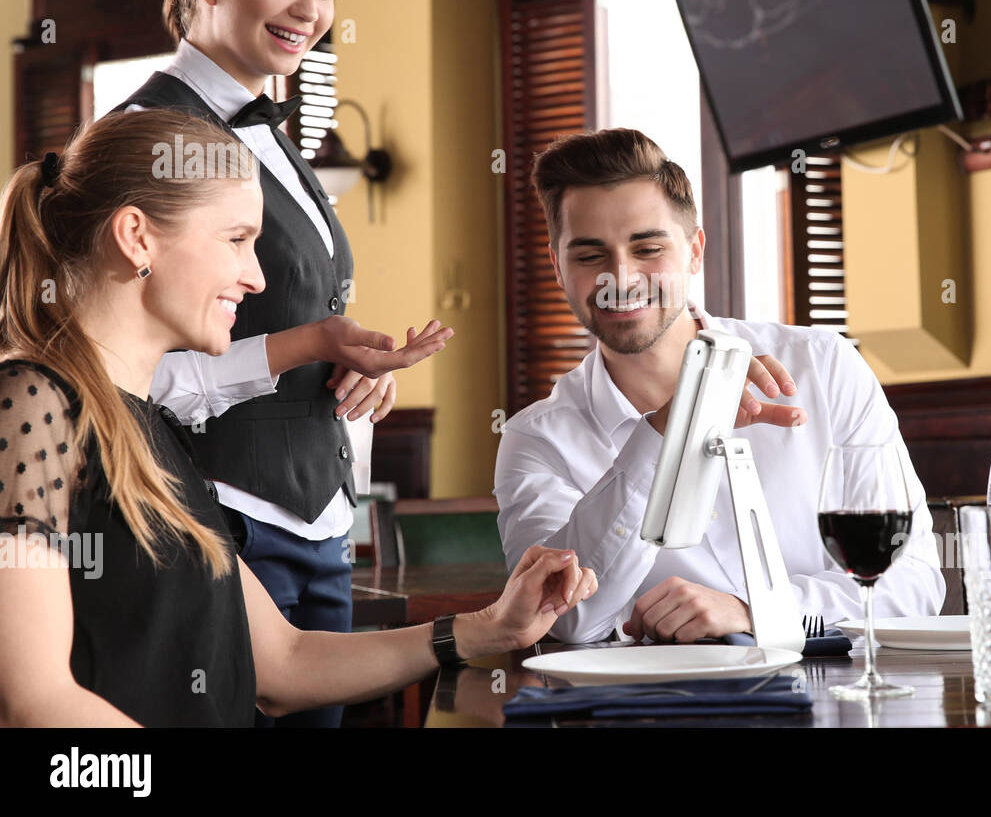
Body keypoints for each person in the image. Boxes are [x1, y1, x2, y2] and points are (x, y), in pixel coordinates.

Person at [0, 109, 596, 727]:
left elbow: (284, 664)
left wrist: (486, 628)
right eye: (235, 239)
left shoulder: (156, 432)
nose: (256, 277)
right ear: (137, 237)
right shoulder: (32, 403)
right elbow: (35, 703)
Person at [113, 0, 432, 726]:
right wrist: (313, 345)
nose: (308, 10)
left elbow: (291, 321)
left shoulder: (271, 131)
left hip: (321, 521)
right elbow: (121, 376)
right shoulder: (150, 138)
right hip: (221, 521)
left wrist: (359, 372)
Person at [494, 128, 945, 645]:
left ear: (694, 252)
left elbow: (911, 584)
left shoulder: (824, 366)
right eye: (589, 256)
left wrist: (757, 611)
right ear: (557, 267)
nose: (619, 277)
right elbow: (561, 619)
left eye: (647, 247)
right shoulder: (536, 441)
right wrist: (669, 433)